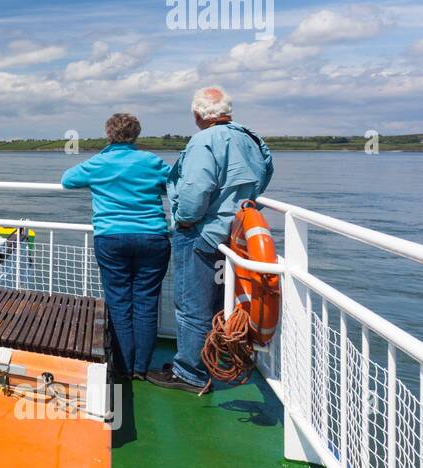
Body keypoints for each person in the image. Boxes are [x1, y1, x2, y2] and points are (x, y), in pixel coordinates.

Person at [149, 86, 273, 393]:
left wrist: (186, 221)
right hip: (234, 234)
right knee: (218, 300)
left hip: (203, 233)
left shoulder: (204, 140)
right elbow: (265, 174)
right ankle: (205, 359)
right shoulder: (251, 138)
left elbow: (194, 190)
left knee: (191, 303)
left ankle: (189, 371)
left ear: (196, 114)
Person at [61, 113, 171, 380]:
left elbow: (67, 179)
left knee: (119, 302)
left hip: (111, 238)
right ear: (136, 135)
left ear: (108, 134)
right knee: (146, 302)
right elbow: (175, 184)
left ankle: (122, 366)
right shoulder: (152, 161)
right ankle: (141, 368)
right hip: (152, 237)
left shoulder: (99, 162)